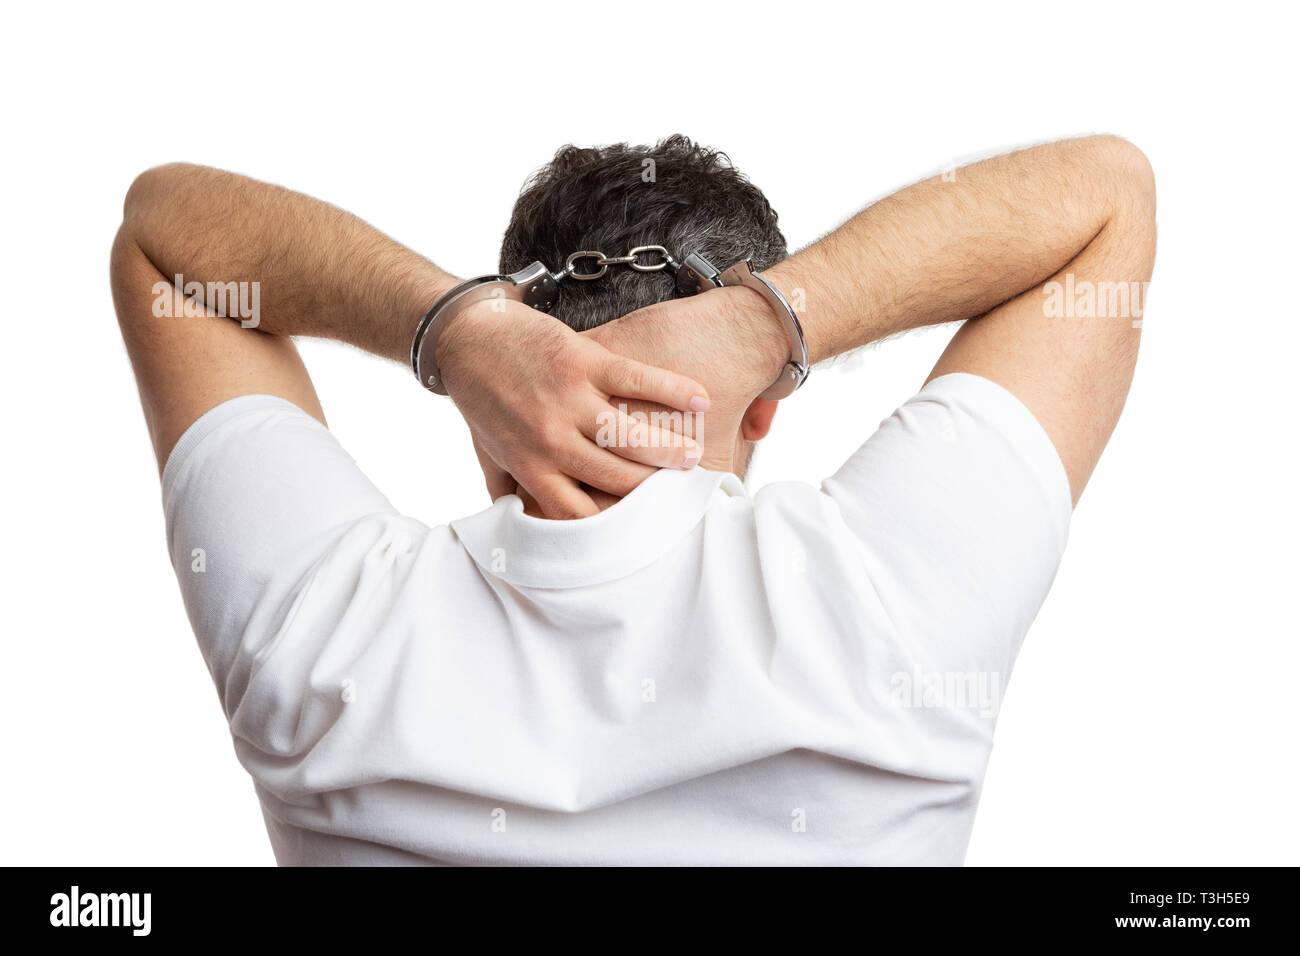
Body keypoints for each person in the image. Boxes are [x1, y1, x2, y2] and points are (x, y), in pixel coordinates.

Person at [111, 133, 1156, 864]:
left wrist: (453, 331)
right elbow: (1107, 197)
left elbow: (162, 237)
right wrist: (770, 326)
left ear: (490, 409)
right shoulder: (887, 596)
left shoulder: (326, 630)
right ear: (762, 411)